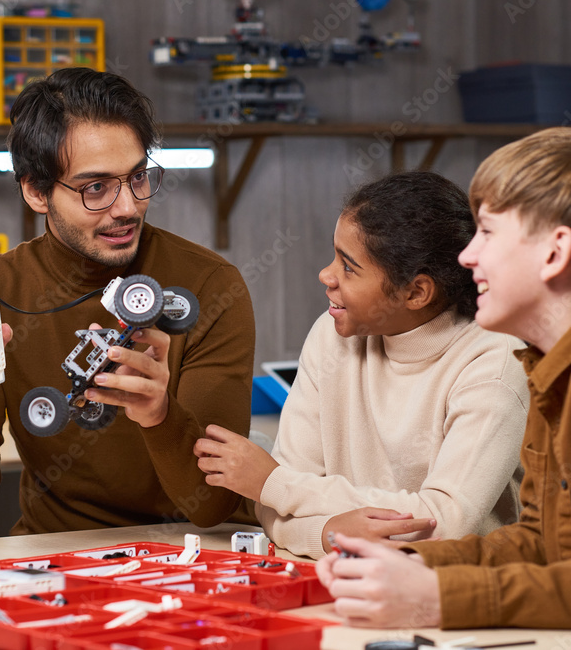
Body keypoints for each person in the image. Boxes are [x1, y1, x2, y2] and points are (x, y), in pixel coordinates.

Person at [317, 127, 571, 630]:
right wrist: (410, 565)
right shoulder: (551, 359)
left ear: (555, 253)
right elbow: (544, 544)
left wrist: (442, 598)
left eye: (489, 233)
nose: (467, 257)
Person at [0, 68, 255, 533]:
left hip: (193, 551)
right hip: (54, 550)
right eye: (95, 187)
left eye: (138, 177)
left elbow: (211, 506)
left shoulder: (209, 287)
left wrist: (159, 416)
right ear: (36, 191)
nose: (128, 207)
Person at [194, 171, 529, 559]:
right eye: (334, 256)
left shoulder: (495, 363)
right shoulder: (331, 335)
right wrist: (328, 534)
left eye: (349, 267)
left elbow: (441, 525)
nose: (326, 275)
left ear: (416, 292)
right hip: (350, 577)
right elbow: (272, 509)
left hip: (463, 586)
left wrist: (275, 484)